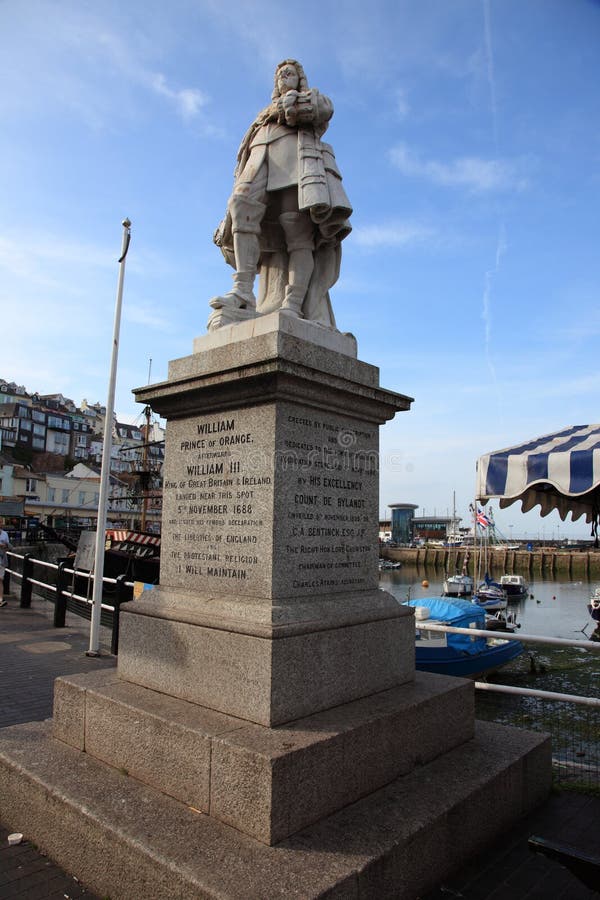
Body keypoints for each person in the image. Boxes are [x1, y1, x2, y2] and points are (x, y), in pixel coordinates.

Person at [210, 59, 352, 329]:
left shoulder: (310, 98)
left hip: (295, 162)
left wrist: (291, 105)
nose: (283, 77)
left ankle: (293, 303)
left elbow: (324, 110)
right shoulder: (263, 115)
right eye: (279, 74)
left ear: (300, 79)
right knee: (240, 204)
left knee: (297, 232)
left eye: (289, 73)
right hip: (261, 159)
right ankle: (243, 291)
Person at [0, 524, 11, 607]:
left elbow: (9, 547)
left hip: (2, 559)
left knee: (0, 580)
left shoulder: (5, 534)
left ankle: (1, 599)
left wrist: (5, 546)